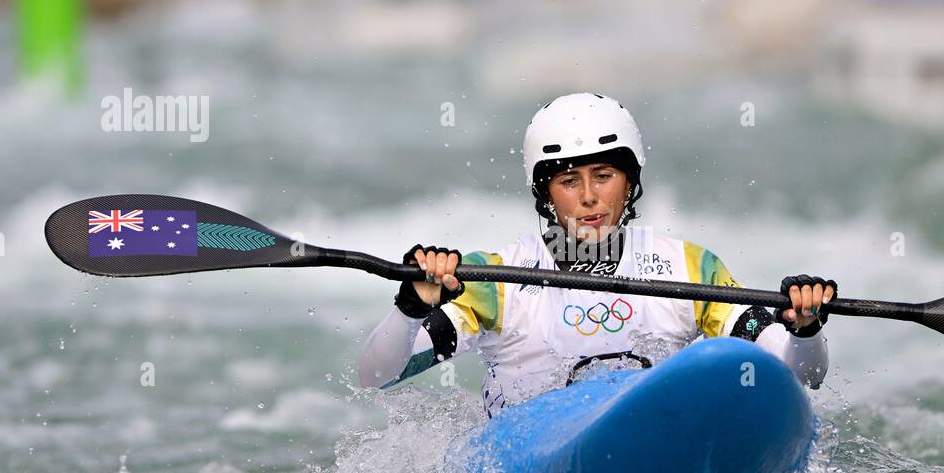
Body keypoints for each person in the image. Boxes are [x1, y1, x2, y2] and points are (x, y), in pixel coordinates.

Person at [359, 93, 837, 417]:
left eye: (603, 175)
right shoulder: (493, 280)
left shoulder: (688, 269)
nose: (588, 197)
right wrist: (411, 308)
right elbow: (376, 375)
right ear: (546, 194)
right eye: (569, 181)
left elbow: (802, 374)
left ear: (629, 182)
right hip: (524, 460)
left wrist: (804, 331)